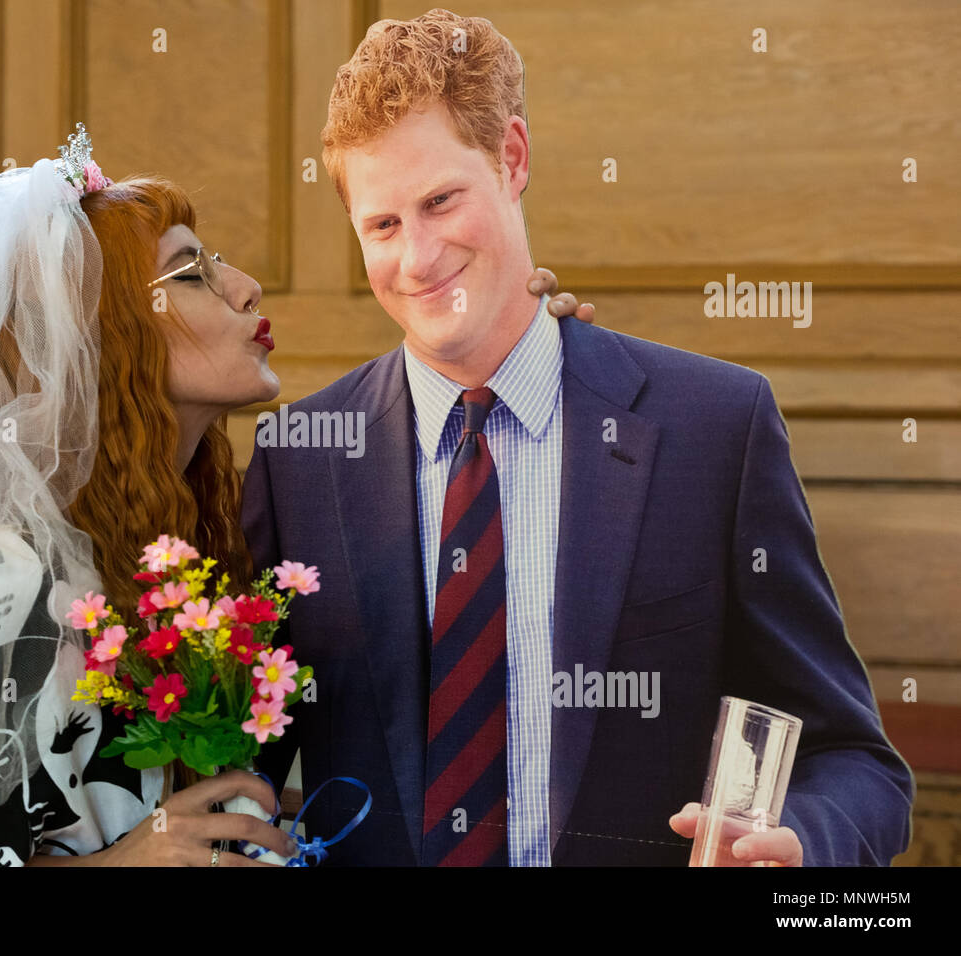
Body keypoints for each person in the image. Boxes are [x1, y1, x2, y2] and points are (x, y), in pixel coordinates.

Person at [0, 125, 587, 866]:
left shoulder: (181, 560)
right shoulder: (5, 585)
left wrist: (524, 350)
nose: (245, 286)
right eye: (193, 274)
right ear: (110, 335)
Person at [242, 9, 914, 866]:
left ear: (512, 158)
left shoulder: (715, 428)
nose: (416, 258)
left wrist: (804, 845)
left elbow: (855, 761)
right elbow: (236, 773)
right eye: (382, 225)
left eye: (441, 200)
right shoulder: (297, 461)